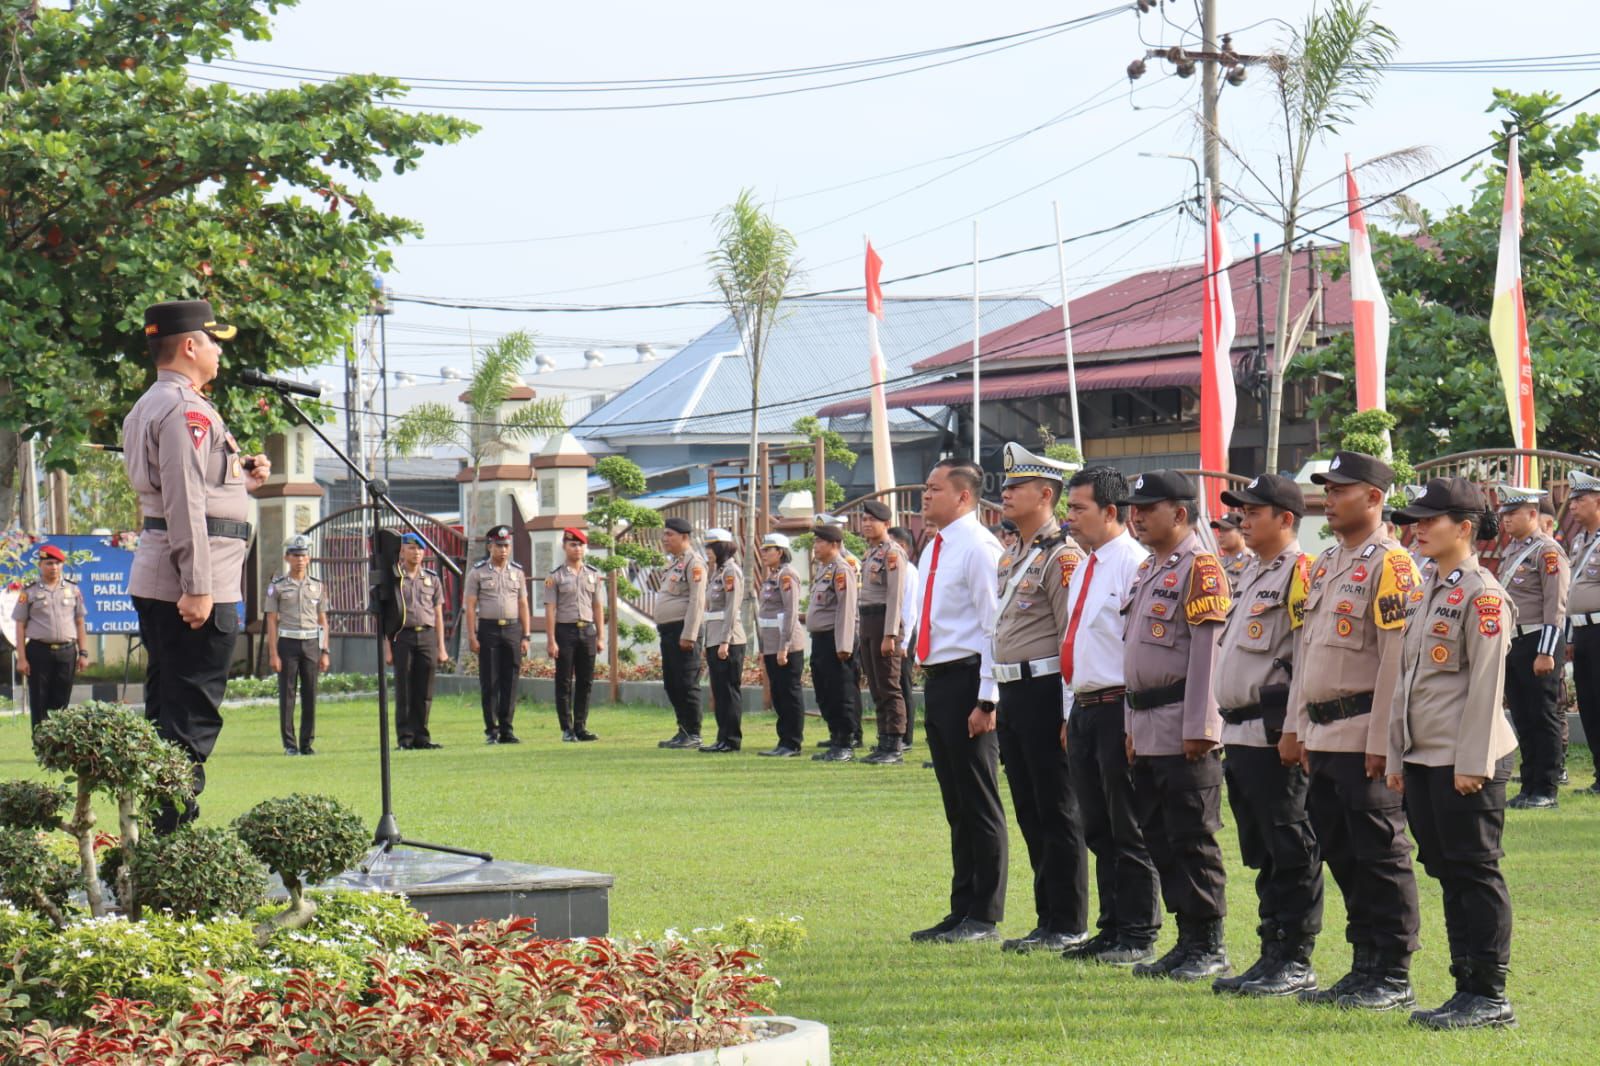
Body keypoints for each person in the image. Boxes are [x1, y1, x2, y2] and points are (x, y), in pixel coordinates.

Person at [123, 299, 270, 833]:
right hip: (194, 585)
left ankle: (157, 832)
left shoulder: (151, 404)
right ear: (190, 345)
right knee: (189, 719)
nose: (219, 352)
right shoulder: (187, 410)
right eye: (213, 342)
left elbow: (187, 488)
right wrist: (198, 585)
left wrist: (241, 481)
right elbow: (184, 500)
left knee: (168, 711)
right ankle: (173, 835)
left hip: (163, 575)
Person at [1286, 450, 1421, 1011]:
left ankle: (1393, 972)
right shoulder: (1325, 563)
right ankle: (1364, 962)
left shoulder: (1393, 564)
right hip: (1323, 735)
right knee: (1341, 852)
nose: (1329, 499)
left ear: (1374, 498)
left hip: (1364, 731)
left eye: (1340, 490)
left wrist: (1383, 741)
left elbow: (1395, 661)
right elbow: (1306, 652)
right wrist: (1298, 726)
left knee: (1380, 855)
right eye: (1327, 490)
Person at [1388, 478, 1518, 1029]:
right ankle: (1465, 986)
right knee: (1447, 871)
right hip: (1425, 757)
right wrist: (1397, 755)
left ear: (1464, 528)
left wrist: (1473, 762)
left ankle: (1489, 995)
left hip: (1467, 761)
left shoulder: (1482, 594)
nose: (1418, 529)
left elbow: (1486, 685)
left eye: (1429, 520)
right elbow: (1407, 681)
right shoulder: (1428, 589)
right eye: (1416, 520)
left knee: (1474, 871)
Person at [1209, 474, 1323, 997]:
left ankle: (1295, 956)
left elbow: (1306, 655)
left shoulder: (1301, 573)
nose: (1243, 520)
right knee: (1262, 848)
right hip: (1240, 731)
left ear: (1286, 519)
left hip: (1274, 732)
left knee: (1290, 845)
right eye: (1242, 511)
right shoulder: (1252, 572)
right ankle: (1271, 949)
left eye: (1254, 512)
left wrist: (1296, 729)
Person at [1116, 470, 1231, 981]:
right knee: (1160, 837)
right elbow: (1133, 655)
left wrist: (1202, 725)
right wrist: (1129, 725)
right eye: (1134, 509)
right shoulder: (1149, 568)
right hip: (1146, 723)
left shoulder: (1200, 568)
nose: (1136, 517)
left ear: (1180, 513)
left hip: (1183, 725)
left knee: (1192, 838)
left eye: (1147, 508)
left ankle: (1210, 943)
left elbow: (1208, 653)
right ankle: (1187, 939)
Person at [990, 443, 1089, 954]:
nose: (1005, 494)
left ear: (1046, 495)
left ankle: (1068, 921)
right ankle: (1047, 916)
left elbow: (1072, 637)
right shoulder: (1015, 554)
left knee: (1057, 808)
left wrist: (1069, 711)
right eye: (1005, 486)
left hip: (1046, 690)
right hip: (1013, 690)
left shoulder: (1062, 556)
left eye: (1016, 486)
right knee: (1030, 808)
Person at [1058, 466, 1158, 964]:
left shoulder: (1132, 564)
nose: (1069, 517)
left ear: (1111, 511)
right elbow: (1076, 641)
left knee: (1127, 824)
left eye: (1079, 508)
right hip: (1085, 707)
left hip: (1118, 705)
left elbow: (1137, 650)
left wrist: (1134, 720)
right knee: (1096, 824)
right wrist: (1068, 713)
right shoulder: (1085, 566)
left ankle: (1138, 931)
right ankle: (1112, 926)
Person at [908, 459, 1007, 945]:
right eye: (925, 488)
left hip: (970, 680)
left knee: (978, 800)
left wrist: (987, 698)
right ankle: (961, 907)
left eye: (934, 488)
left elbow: (994, 626)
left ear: (964, 496)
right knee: (956, 803)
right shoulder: (936, 545)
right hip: (941, 681)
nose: (925, 496)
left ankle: (984, 914)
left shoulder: (979, 547)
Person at [1494, 486, 1568, 809]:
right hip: (1515, 641)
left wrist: (1547, 651)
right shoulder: (1512, 550)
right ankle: (1529, 785)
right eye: (1504, 515)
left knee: (1543, 716)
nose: (1506, 520)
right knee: (1523, 717)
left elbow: (1555, 606)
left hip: (1538, 640)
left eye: (1513, 514)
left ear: (1533, 514)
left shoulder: (1547, 551)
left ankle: (1546, 788)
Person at [465, 524, 531, 745]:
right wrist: (472, 636)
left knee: (510, 680)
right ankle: (491, 730)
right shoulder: (478, 572)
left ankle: (507, 729)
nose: (503, 550)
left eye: (506, 546)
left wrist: (526, 635)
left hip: (512, 629)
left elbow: (523, 604)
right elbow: (470, 606)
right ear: (490, 546)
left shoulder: (517, 572)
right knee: (490, 680)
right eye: (499, 546)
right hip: (489, 629)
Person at [263, 535, 328, 756]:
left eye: (303, 555)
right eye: (295, 555)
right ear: (287, 558)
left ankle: (307, 743)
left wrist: (325, 650)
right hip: (288, 643)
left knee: (310, 694)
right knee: (287, 694)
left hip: (311, 643)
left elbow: (322, 620)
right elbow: (271, 620)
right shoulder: (278, 586)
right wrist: (273, 653)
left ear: (308, 558)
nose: (300, 559)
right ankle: (290, 744)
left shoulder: (317, 586)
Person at [12, 544, 88, 728]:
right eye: (49, 563)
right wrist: (21, 658)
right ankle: (40, 742)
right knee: (39, 701)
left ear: (62, 565)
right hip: (39, 652)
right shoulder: (29, 591)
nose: (53, 567)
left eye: (57, 563)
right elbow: (20, 625)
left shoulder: (73, 590)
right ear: (40, 565)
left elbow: (79, 622)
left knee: (61, 701)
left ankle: (58, 743)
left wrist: (83, 653)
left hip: (67, 652)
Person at [858, 501, 910, 764]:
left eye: (872, 520)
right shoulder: (870, 553)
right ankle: (883, 740)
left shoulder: (892, 553)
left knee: (889, 685)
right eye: (864, 519)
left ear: (886, 524)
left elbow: (895, 596)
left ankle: (895, 744)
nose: (866, 524)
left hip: (883, 622)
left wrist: (890, 635)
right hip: (868, 621)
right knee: (876, 685)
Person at [386, 531, 449, 750]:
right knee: (404, 689)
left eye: (420, 549)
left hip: (427, 635)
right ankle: (405, 737)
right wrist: (387, 648)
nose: (417, 553)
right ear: (402, 551)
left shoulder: (432, 579)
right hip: (402, 636)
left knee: (425, 689)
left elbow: (438, 615)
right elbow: (386, 617)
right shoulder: (394, 578)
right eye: (412, 548)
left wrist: (441, 647)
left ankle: (422, 736)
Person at [543, 527, 603, 742]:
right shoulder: (555, 576)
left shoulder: (593, 574)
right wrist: (551, 640)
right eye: (573, 545)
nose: (577, 549)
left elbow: (597, 606)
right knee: (564, 681)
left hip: (587, 630)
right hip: (565, 630)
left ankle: (580, 726)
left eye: (580, 545)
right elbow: (550, 609)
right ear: (564, 547)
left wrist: (601, 636)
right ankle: (566, 728)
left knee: (586, 681)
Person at [808, 523, 860, 762]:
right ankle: (836, 737)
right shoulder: (824, 569)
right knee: (825, 691)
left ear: (835, 544)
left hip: (835, 639)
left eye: (820, 541)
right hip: (820, 639)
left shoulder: (841, 569)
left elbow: (846, 609)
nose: (815, 546)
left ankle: (845, 742)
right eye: (815, 541)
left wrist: (844, 644)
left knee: (841, 691)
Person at [655, 516, 707, 749]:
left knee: (686, 683)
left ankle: (693, 733)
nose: (664, 538)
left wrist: (689, 634)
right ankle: (683, 729)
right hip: (669, 631)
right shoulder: (675, 563)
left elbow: (697, 600)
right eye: (664, 534)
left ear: (684, 537)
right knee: (672, 682)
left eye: (670, 534)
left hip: (683, 631)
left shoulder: (694, 563)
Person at [1564, 469, 1600, 796]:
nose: (1572, 505)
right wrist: (1570, 637)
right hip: (1582, 632)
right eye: (1572, 500)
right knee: (1589, 703)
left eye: (1580, 499)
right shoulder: (1580, 541)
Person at [755, 533, 806, 757]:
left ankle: (792, 742)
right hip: (772, 644)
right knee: (778, 693)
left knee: (789, 693)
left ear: (781, 552)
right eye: (763, 550)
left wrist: (784, 645)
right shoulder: (773, 576)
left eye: (769, 550)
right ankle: (783, 740)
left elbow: (790, 612)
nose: (764, 554)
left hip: (786, 645)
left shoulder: (787, 575)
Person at [700, 528, 746, 753]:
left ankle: (731, 739)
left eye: (712, 547)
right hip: (715, 638)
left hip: (728, 640)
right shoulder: (717, 572)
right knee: (719, 691)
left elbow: (731, 608)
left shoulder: (730, 572)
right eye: (707, 547)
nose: (708, 551)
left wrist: (725, 641)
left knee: (728, 690)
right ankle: (722, 737)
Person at [890, 525, 921, 752]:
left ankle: (906, 736)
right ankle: (893, 732)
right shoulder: (895, 569)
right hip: (894, 632)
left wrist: (906, 641)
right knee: (893, 684)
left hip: (905, 634)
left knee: (903, 685)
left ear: (902, 546)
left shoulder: (909, 571)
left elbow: (910, 608)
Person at [1211, 513, 1253, 594]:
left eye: (1225, 530)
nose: (1220, 535)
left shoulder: (1251, 562)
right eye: (1220, 531)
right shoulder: (1216, 562)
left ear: (1242, 532)